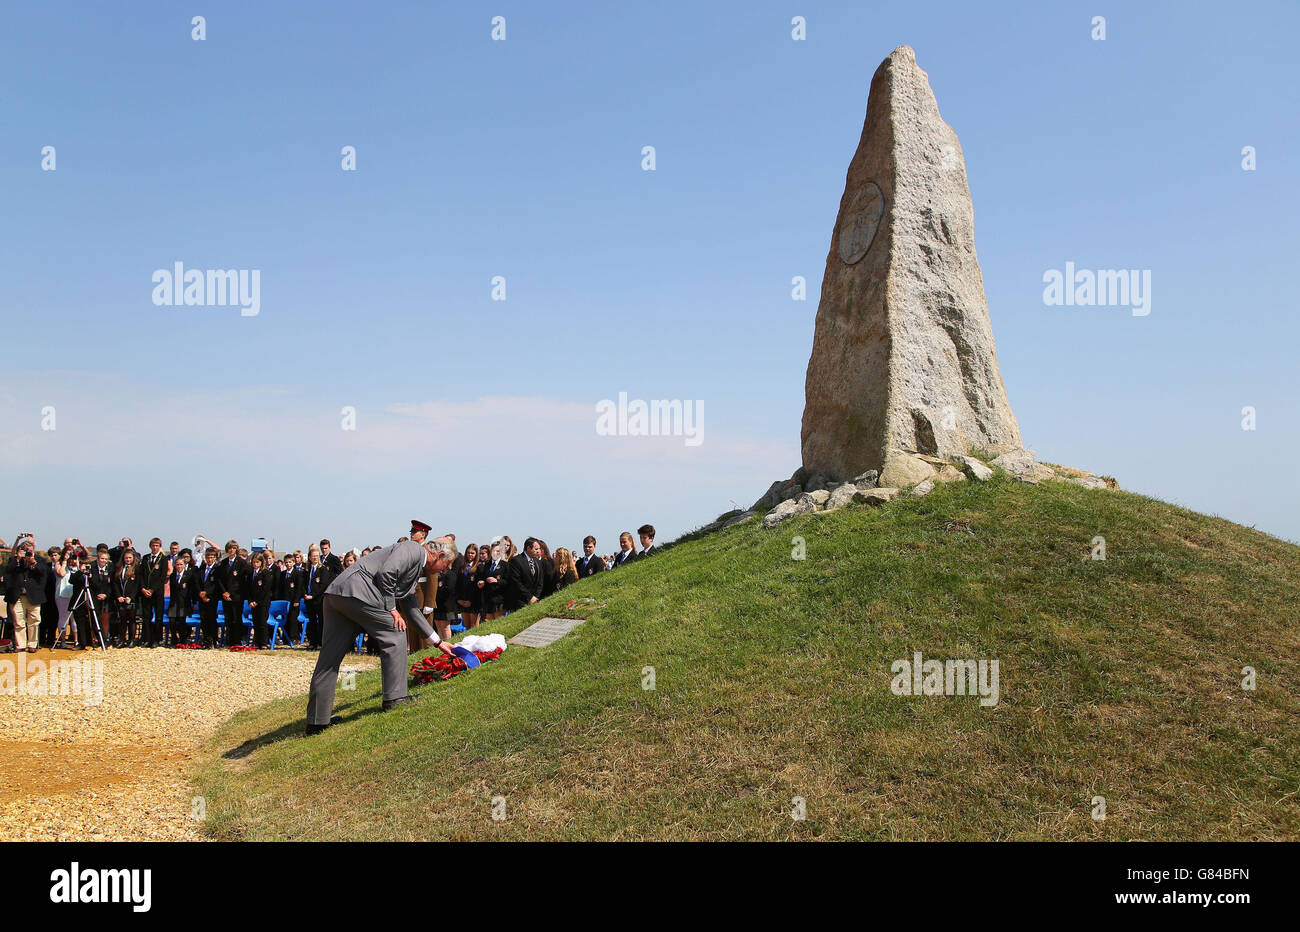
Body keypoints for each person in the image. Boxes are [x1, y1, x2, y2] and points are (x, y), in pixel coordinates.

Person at [305, 538, 457, 734]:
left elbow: (411, 607)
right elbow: (387, 573)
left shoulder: (415, 565)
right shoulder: (413, 549)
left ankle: (317, 721)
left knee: (329, 658)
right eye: (446, 564)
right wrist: (391, 609)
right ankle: (395, 698)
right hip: (358, 592)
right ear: (439, 555)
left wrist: (438, 642)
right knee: (396, 630)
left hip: (338, 595)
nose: (444, 570)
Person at [4, 536, 49, 653]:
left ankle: (32, 644)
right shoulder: (15, 560)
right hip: (17, 596)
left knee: (34, 621)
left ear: (34, 550)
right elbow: (8, 570)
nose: (27, 552)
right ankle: (20, 645)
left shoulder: (40, 559)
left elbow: (43, 572)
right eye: (25, 550)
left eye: (30, 550)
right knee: (18, 621)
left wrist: (33, 562)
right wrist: (18, 559)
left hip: (34, 596)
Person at [139, 537, 170, 648]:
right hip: (146, 592)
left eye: (157, 545)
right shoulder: (146, 558)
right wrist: (143, 588)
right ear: (150, 546)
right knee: (146, 616)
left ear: (160, 547)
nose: (155, 547)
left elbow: (163, 577)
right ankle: (147, 639)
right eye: (153, 545)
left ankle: (157, 639)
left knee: (158, 617)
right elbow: (141, 574)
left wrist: (153, 589)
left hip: (157, 592)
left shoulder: (164, 559)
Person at [215, 540, 247, 645]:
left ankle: (237, 641)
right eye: (229, 548)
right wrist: (224, 592)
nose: (231, 550)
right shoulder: (223, 563)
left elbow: (241, 581)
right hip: (225, 596)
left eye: (233, 548)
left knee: (236, 618)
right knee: (228, 618)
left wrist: (230, 592)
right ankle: (229, 640)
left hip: (236, 596)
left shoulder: (241, 563)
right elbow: (220, 579)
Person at [303, 546, 335, 648]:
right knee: (311, 621)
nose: (315, 558)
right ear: (309, 557)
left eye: (317, 556)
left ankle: (321, 642)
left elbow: (323, 585)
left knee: (321, 621)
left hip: (318, 600)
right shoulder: (307, 570)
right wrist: (305, 594)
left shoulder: (323, 569)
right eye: (313, 556)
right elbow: (304, 584)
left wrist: (313, 596)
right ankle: (313, 642)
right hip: (308, 600)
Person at [112, 550, 141, 647]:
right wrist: (118, 596)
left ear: (133, 558)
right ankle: (122, 639)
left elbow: (137, 585)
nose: (128, 560)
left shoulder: (137, 569)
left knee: (132, 619)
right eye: (126, 558)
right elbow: (115, 583)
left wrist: (131, 597)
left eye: (130, 558)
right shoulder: (119, 568)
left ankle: (132, 640)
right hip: (121, 598)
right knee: (122, 620)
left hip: (131, 599)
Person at [247, 552, 274, 648]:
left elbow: (265, 589)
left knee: (262, 622)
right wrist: (250, 601)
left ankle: (263, 643)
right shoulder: (251, 573)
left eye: (257, 562)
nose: (255, 564)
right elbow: (248, 589)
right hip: (253, 602)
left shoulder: (265, 573)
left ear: (261, 562)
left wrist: (257, 601)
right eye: (253, 562)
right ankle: (257, 641)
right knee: (256, 622)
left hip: (263, 602)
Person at [508, 537, 545, 608]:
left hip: (535, 600)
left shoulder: (537, 562)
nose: (538, 551)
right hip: (520, 601)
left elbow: (540, 581)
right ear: (528, 548)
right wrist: (530, 597)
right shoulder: (516, 561)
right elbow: (516, 582)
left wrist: (536, 597)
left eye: (539, 549)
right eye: (536, 549)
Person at [196, 547, 222, 648]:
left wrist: (207, 593)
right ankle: (206, 640)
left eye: (212, 557)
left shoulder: (217, 569)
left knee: (211, 619)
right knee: (204, 619)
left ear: (215, 558)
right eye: (208, 557)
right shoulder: (202, 568)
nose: (210, 559)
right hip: (202, 598)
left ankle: (214, 640)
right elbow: (198, 582)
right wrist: (200, 593)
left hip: (212, 598)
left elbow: (216, 584)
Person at [167, 552, 195, 645]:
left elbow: (191, 590)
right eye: (177, 564)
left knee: (182, 620)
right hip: (174, 601)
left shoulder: (189, 575)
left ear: (184, 565)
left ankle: (183, 639)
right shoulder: (172, 575)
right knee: (172, 620)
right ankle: (174, 638)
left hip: (184, 602)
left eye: (181, 564)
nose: (179, 566)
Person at [453, 542, 480, 629]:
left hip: (473, 601)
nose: (470, 555)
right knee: (467, 626)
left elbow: (477, 587)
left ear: (476, 554)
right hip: (462, 600)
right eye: (468, 553)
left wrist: (470, 600)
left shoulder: (479, 567)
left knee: (474, 627)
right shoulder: (462, 567)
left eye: (472, 553)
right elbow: (458, 584)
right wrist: (459, 599)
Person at [478, 543, 508, 621]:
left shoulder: (505, 565)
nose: (495, 553)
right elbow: (483, 578)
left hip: (499, 599)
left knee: (499, 623)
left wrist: (497, 581)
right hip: (488, 599)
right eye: (493, 551)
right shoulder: (486, 565)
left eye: (498, 551)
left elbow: (508, 582)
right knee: (488, 623)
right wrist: (481, 583)